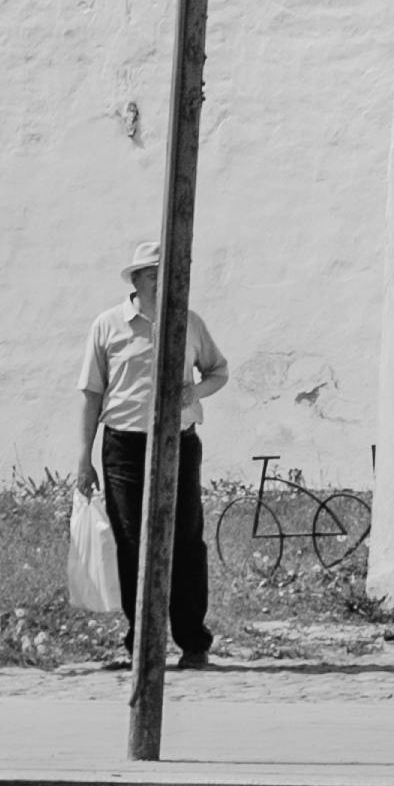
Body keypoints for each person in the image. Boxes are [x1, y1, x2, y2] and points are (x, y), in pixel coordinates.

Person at [74, 234, 229, 667]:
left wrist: (193, 392)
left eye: (173, 276)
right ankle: (142, 642)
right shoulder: (108, 325)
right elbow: (91, 394)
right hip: (124, 445)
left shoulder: (190, 323)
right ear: (138, 280)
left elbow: (219, 371)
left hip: (178, 443)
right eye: (158, 276)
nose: (166, 283)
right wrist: (83, 459)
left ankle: (193, 642)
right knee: (130, 542)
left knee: (185, 540)